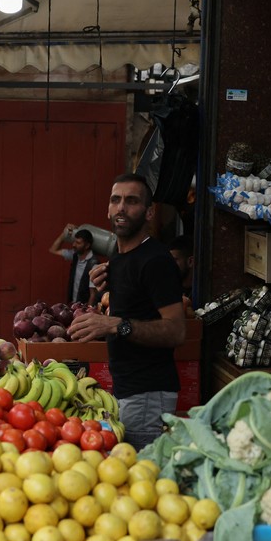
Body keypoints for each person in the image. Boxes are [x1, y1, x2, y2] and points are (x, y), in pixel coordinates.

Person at [67, 174, 186, 450]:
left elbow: (176, 331)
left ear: (149, 212)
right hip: (127, 388)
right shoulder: (120, 257)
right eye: (115, 200)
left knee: (140, 468)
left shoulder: (156, 261)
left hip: (148, 392)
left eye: (131, 201)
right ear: (108, 210)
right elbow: (136, 303)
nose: (121, 207)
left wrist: (115, 325)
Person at [49, 224, 98, 305]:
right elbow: (53, 250)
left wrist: (87, 310)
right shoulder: (75, 255)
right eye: (74, 241)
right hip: (72, 305)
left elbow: (93, 295)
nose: (74, 245)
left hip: (83, 308)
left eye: (78, 243)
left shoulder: (94, 264)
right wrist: (64, 234)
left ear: (87, 246)